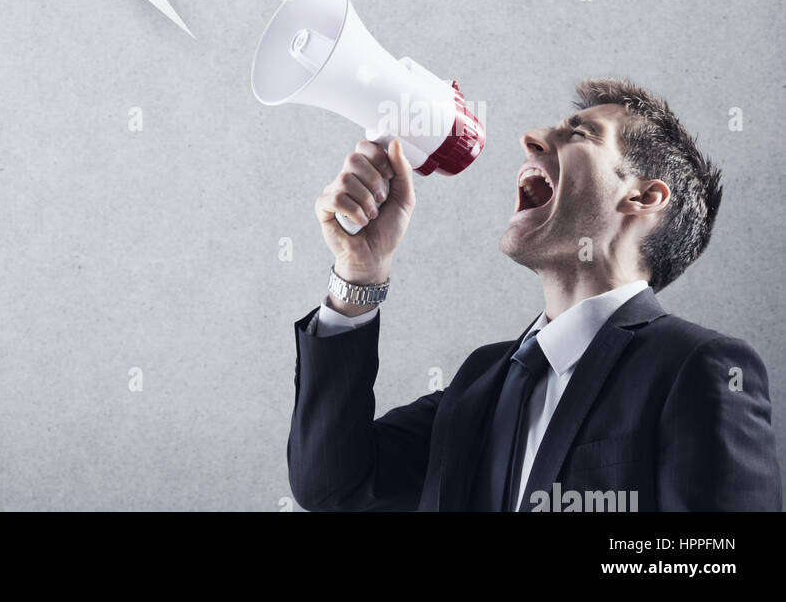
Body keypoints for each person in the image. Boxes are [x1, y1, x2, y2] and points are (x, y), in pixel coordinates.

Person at [287, 78, 781, 511]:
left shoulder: (698, 366)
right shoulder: (481, 380)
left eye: (580, 133)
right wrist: (359, 273)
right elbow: (333, 487)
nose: (530, 138)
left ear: (643, 197)